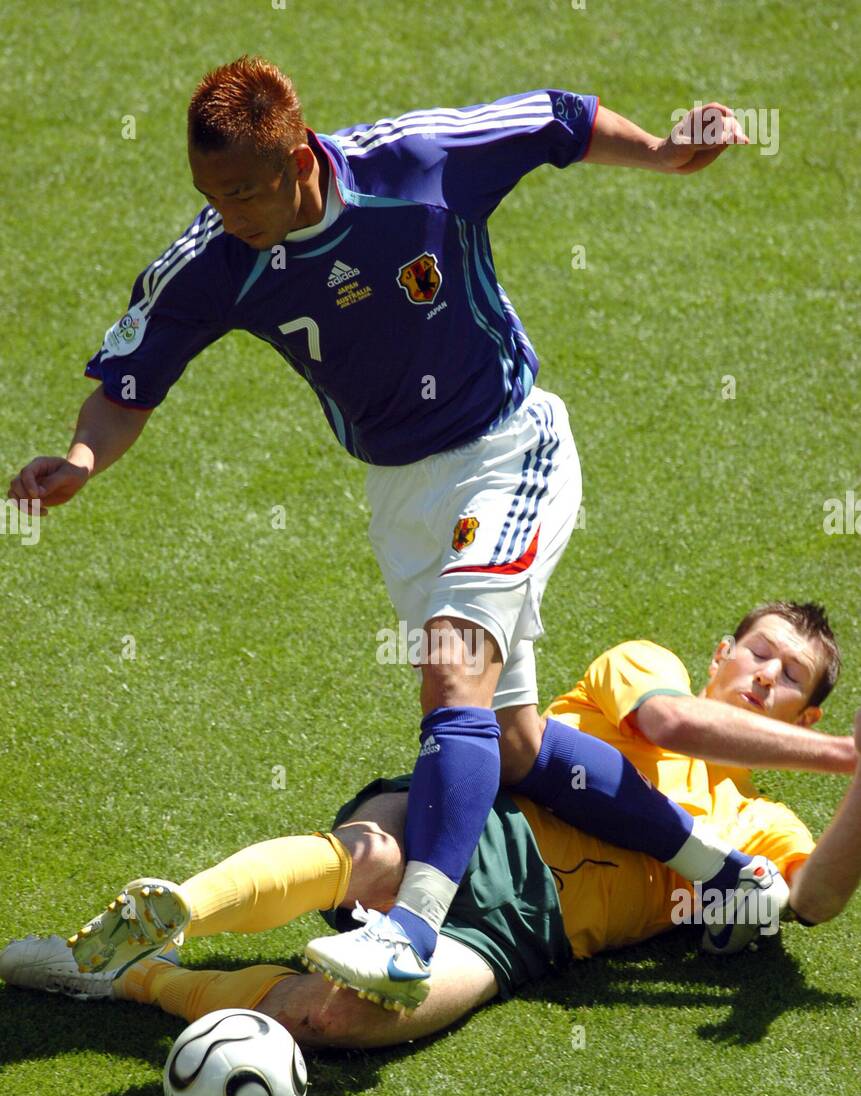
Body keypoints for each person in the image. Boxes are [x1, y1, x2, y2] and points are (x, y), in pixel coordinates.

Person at [7, 56, 776, 1009]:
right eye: (209, 191)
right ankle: (724, 874)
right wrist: (81, 460)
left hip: (508, 448)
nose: (227, 210)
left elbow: (556, 119)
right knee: (519, 746)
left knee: (452, 671)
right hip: (401, 496)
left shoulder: (413, 163)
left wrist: (664, 152)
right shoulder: (214, 259)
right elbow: (128, 386)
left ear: (299, 158)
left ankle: (409, 933)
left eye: (243, 189)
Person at [3, 602, 858, 1049]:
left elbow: (811, 901)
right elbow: (672, 729)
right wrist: (844, 758)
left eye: (789, 677)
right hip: (482, 820)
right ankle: (178, 906)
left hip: (531, 938)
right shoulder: (648, 669)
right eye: (757, 651)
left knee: (334, 1023)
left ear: (805, 720)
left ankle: (138, 979)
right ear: (720, 652)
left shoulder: (764, 819)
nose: (762, 675)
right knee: (369, 858)